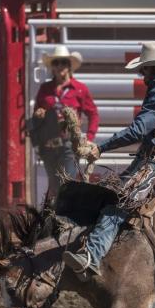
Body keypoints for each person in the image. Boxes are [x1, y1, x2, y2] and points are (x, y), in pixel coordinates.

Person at [63, 0, 155, 282]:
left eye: (145, 69)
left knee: (119, 202)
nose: (142, 74)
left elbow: (138, 130)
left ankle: (91, 257)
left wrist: (100, 147)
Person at [31, 46, 99, 196]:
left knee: (67, 184)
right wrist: (39, 116)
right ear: (52, 67)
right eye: (56, 63)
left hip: (69, 144)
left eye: (63, 62)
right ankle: (55, 216)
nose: (60, 66)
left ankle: (65, 217)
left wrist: (89, 137)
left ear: (69, 66)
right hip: (49, 145)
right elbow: (36, 117)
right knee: (54, 186)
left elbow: (93, 114)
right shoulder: (45, 88)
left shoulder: (80, 89)